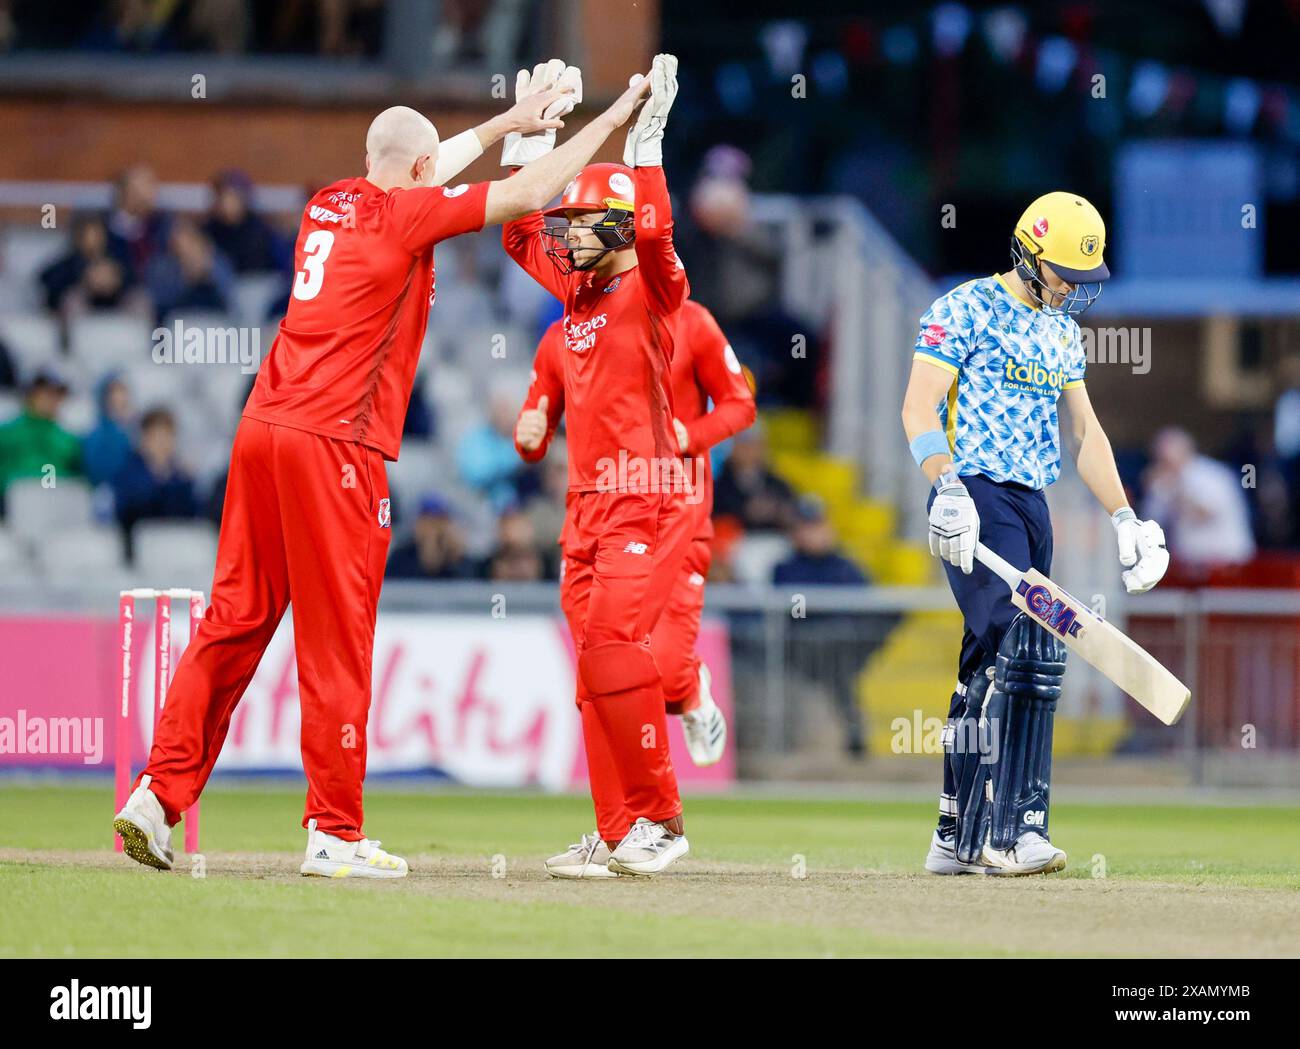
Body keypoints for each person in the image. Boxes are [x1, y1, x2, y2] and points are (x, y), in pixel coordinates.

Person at [112, 59, 656, 878]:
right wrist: (612, 121)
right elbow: (519, 199)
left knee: (233, 621)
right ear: (418, 174)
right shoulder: (405, 219)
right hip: (336, 444)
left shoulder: (327, 203)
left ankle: (155, 797)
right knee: (338, 642)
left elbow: (424, 167)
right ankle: (333, 831)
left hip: (261, 428)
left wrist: (507, 126)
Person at [900, 192, 1169, 877]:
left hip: (1032, 507)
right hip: (976, 497)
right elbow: (918, 404)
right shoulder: (966, 308)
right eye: (1063, 276)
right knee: (1019, 650)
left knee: (986, 658)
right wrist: (947, 484)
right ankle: (1009, 830)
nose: (1073, 291)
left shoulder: (1058, 332)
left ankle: (954, 831)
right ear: (1026, 255)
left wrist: (1124, 518)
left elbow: (1086, 434)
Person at [507, 54, 694, 878]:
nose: (565, 236)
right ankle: (617, 831)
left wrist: (646, 147)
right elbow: (517, 227)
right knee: (592, 673)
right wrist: (528, 131)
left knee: (615, 646)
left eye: (581, 224)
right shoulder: (577, 294)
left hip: (639, 496)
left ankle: (664, 819)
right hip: (585, 502)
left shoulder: (651, 289)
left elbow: (656, 233)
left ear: (615, 232)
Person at [518, 297, 754, 779]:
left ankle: (686, 686)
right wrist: (530, 435)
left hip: (679, 517)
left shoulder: (692, 322)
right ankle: (623, 816)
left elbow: (740, 405)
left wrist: (690, 435)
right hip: (594, 524)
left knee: (658, 669)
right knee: (602, 670)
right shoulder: (565, 335)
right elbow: (534, 433)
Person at [773, 497, 871, 755]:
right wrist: (821, 608)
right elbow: (795, 611)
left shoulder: (845, 566)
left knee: (838, 662)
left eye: (816, 525)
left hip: (842, 647)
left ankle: (854, 733)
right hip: (800, 647)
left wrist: (822, 608)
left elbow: (863, 605)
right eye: (806, 526)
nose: (813, 533)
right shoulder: (786, 568)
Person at [1140, 427, 1255, 568]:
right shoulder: (1163, 481)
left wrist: (1175, 490)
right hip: (1187, 564)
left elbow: (1203, 515)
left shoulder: (1211, 475)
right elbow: (1151, 523)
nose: (1163, 465)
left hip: (1225, 564)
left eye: (1167, 459)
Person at [111, 407, 199, 545]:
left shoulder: (181, 476)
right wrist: (163, 482)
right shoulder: (128, 471)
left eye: (168, 436)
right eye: (157, 436)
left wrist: (184, 482)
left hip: (176, 543)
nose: (163, 443)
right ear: (144, 438)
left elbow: (192, 512)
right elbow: (129, 510)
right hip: (139, 547)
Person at [0, 370, 82, 503]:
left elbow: (76, 479)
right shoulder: (7, 433)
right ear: (31, 396)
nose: (52, 401)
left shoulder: (67, 440)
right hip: (11, 506)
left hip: (54, 506)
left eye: (57, 395)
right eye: (47, 394)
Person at [385, 493, 477, 580]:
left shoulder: (457, 557)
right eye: (427, 520)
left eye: (438, 520)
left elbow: (467, 585)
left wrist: (454, 559)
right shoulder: (401, 555)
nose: (432, 527)